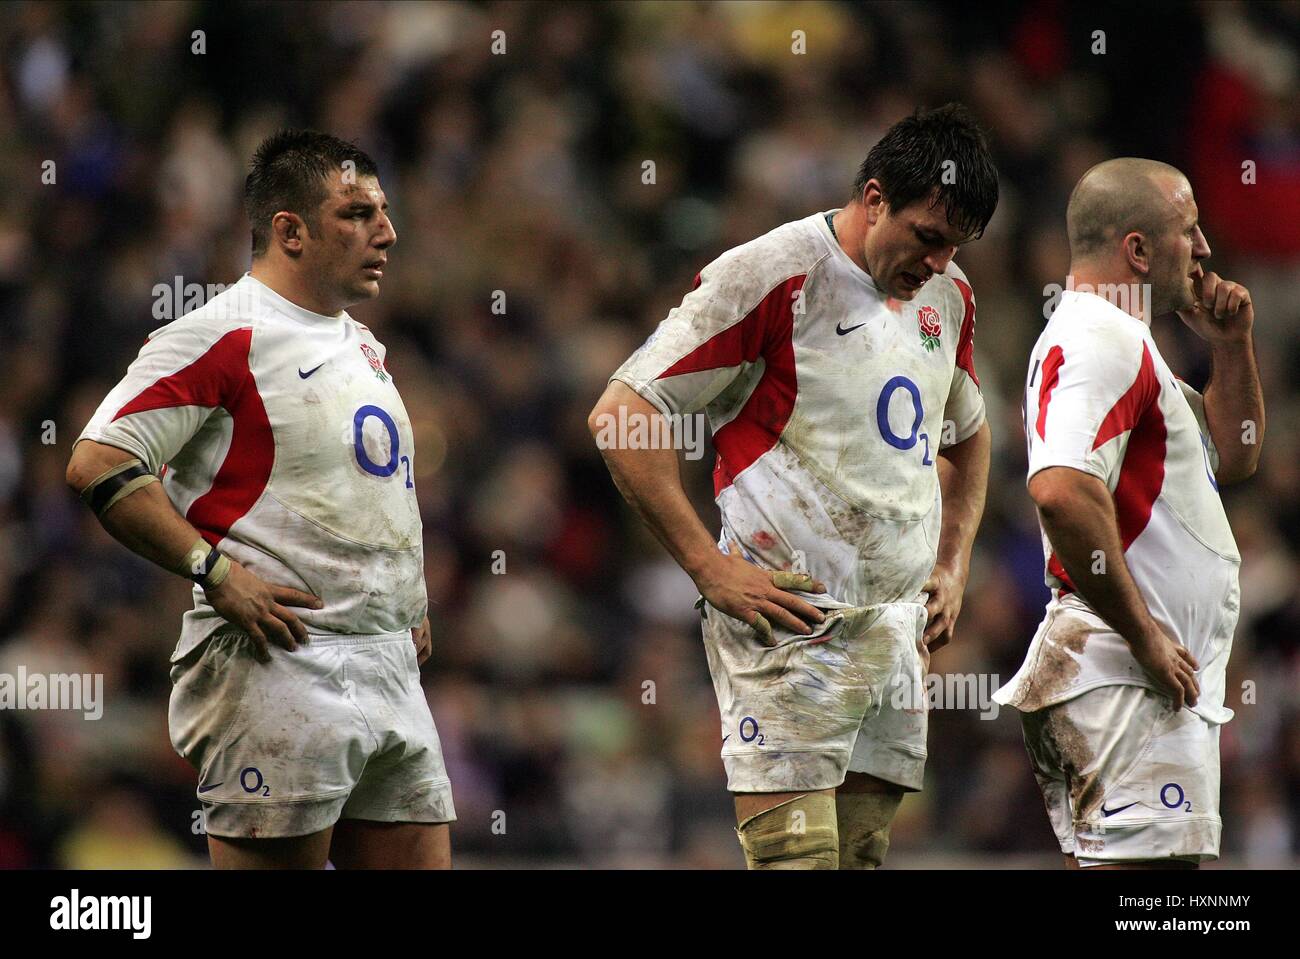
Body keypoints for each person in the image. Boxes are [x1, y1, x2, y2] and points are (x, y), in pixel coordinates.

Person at [590, 104, 997, 869]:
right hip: (789, 627)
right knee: (796, 861)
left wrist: (954, 561)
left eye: (956, 247)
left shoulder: (951, 296)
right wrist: (710, 570)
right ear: (874, 199)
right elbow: (622, 416)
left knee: (860, 857)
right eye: (929, 238)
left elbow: (969, 437)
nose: (939, 263)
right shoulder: (773, 274)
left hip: (894, 634)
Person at [64, 130, 455, 869]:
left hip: (387, 662)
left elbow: (358, 483)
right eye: (358, 213)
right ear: (290, 230)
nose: (387, 232)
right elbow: (99, 460)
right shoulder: (222, 331)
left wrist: (406, 598)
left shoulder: (363, 345)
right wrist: (214, 572)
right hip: (280, 661)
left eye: (385, 212)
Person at [994, 158, 1264, 868]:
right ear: (1137, 250)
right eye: (1188, 228)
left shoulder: (1123, 341)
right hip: (1124, 676)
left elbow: (1233, 456)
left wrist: (1230, 347)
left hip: (1130, 679)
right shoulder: (1098, 340)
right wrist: (1143, 635)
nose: (1204, 247)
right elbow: (1057, 488)